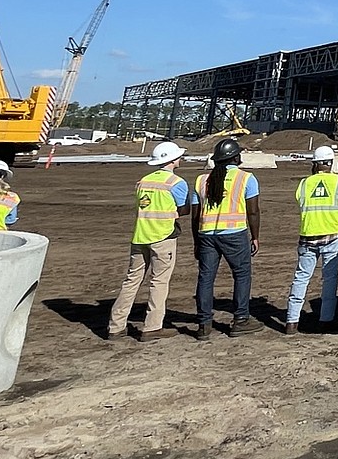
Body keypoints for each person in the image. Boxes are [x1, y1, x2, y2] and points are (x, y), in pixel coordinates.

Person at [108, 142, 194, 341]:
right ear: (172, 159)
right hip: (162, 236)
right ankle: (152, 326)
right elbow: (184, 209)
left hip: (140, 237)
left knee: (131, 281)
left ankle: (116, 326)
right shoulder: (176, 183)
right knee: (159, 282)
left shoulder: (143, 181)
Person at [282, 146, 338, 334]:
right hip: (334, 237)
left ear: (314, 164)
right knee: (329, 280)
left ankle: (291, 321)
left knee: (301, 279)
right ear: (331, 163)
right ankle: (325, 320)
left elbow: (301, 201)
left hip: (308, 237)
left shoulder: (304, 184)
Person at [192, 137, 262, 340]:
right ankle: (241, 319)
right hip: (234, 234)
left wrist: (196, 240)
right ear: (236, 157)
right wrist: (255, 237)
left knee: (206, 278)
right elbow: (253, 212)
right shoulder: (246, 178)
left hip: (206, 234)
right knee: (241, 275)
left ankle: (204, 324)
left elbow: (196, 215)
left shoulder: (201, 180)